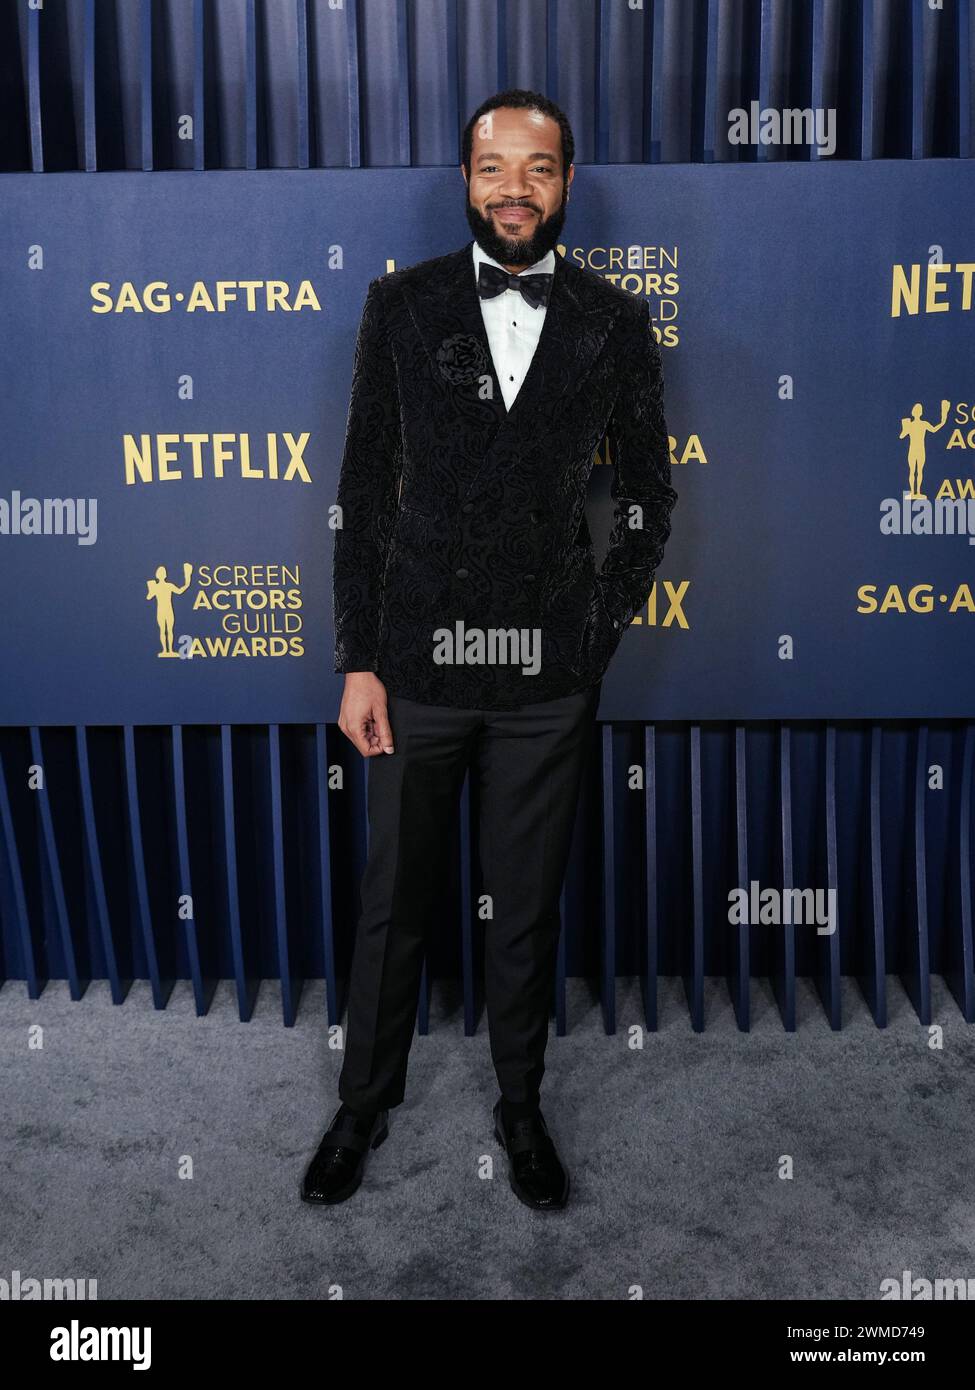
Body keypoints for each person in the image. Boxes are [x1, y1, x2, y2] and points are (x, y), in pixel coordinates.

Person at [301, 88, 677, 1210]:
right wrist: (358, 659)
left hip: (543, 681)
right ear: (464, 180)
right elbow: (364, 489)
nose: (516, 188)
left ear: (567, 181)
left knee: (526, 908)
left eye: (540, 168)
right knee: (394, 904)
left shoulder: (616, 319)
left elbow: (651, 497)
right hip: (413, 667)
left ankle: (521, 1108)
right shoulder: (401, 305)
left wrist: (593, 633)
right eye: (494, 167)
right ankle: (361, 1106)